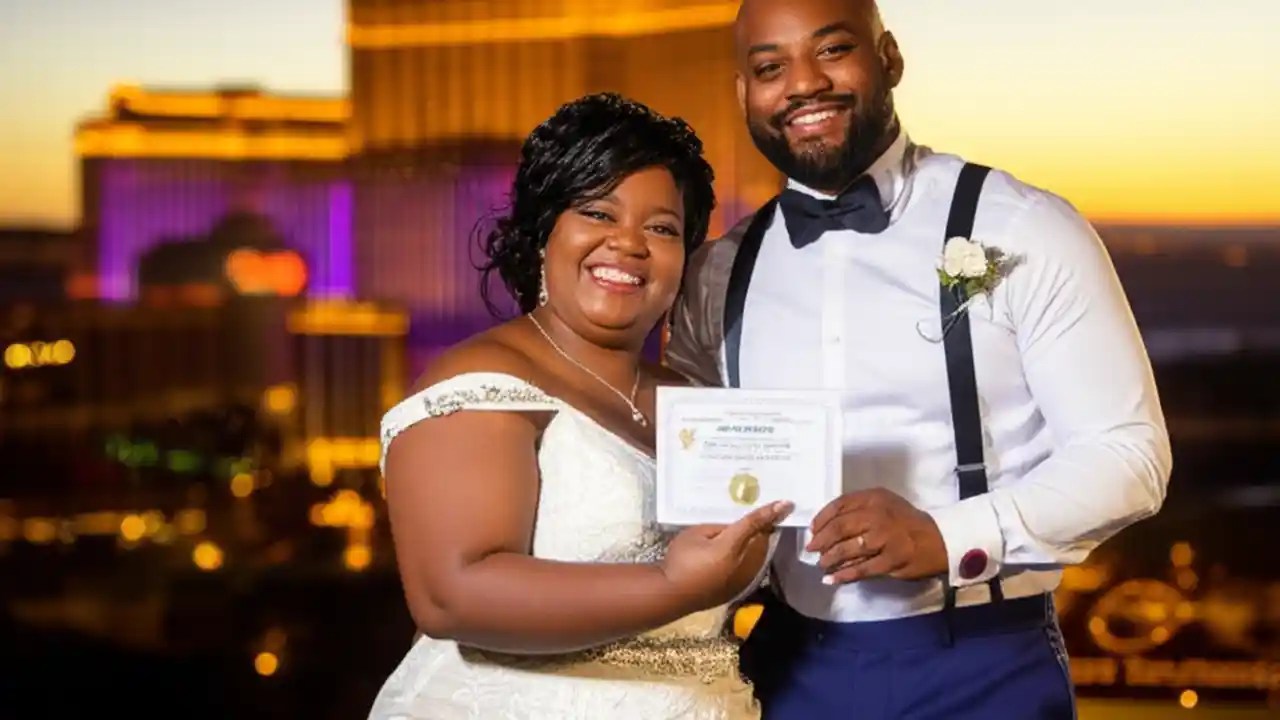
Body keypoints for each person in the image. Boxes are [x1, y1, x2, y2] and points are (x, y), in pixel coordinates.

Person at [664, 1, 1173, 718]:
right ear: (745, 93)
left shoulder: (1025, 227)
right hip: (785, 666)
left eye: (833, 49)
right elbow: (693, 470)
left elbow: (1131, 457)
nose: (804, 84)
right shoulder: (717, 270)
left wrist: (946, 534)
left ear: (891, 58)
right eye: (770, 67)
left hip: (984, 662)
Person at [368, 92, 791, 720]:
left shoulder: (698, 402)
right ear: (544, 232)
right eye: (598, 213)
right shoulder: (481, 379)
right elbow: (451, 595)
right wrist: (672, 585)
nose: (628, 244)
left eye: (662, 228)